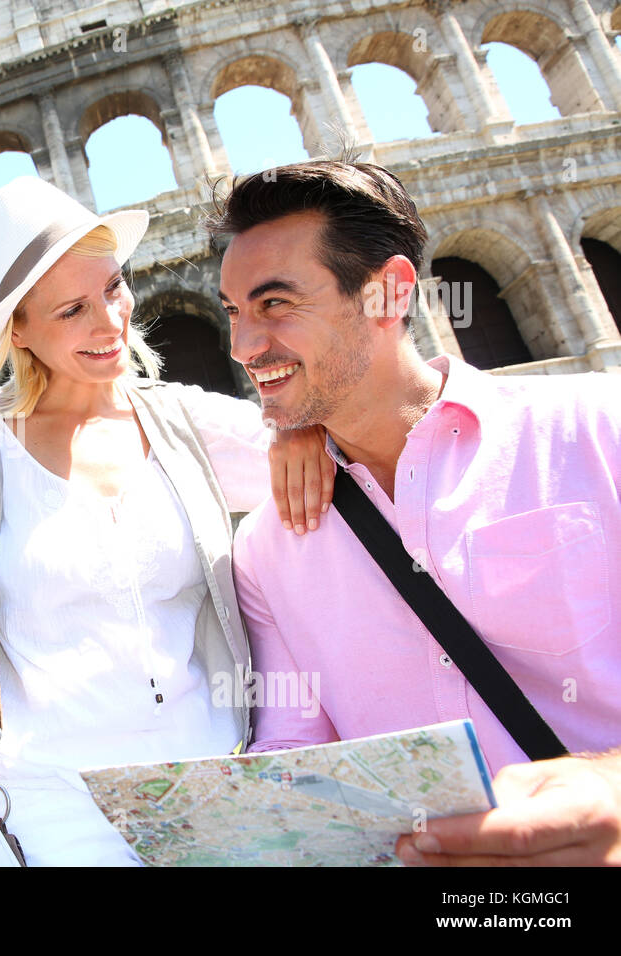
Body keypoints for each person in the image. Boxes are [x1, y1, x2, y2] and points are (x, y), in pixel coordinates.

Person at [0, 175, 331, 866]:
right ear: (19, 329)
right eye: (72, 310)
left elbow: (350, 449)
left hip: (212, 792)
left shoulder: (183, 419)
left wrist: (301, 426)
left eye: (113, 287)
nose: (110, 322)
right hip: (51, 813)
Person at [212, 159, 621, 866]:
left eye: (274, 304)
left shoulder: (598, 428)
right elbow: (296, 747)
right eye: (234, 311)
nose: (243, 346)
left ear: (388, 294)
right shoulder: (267, 547)